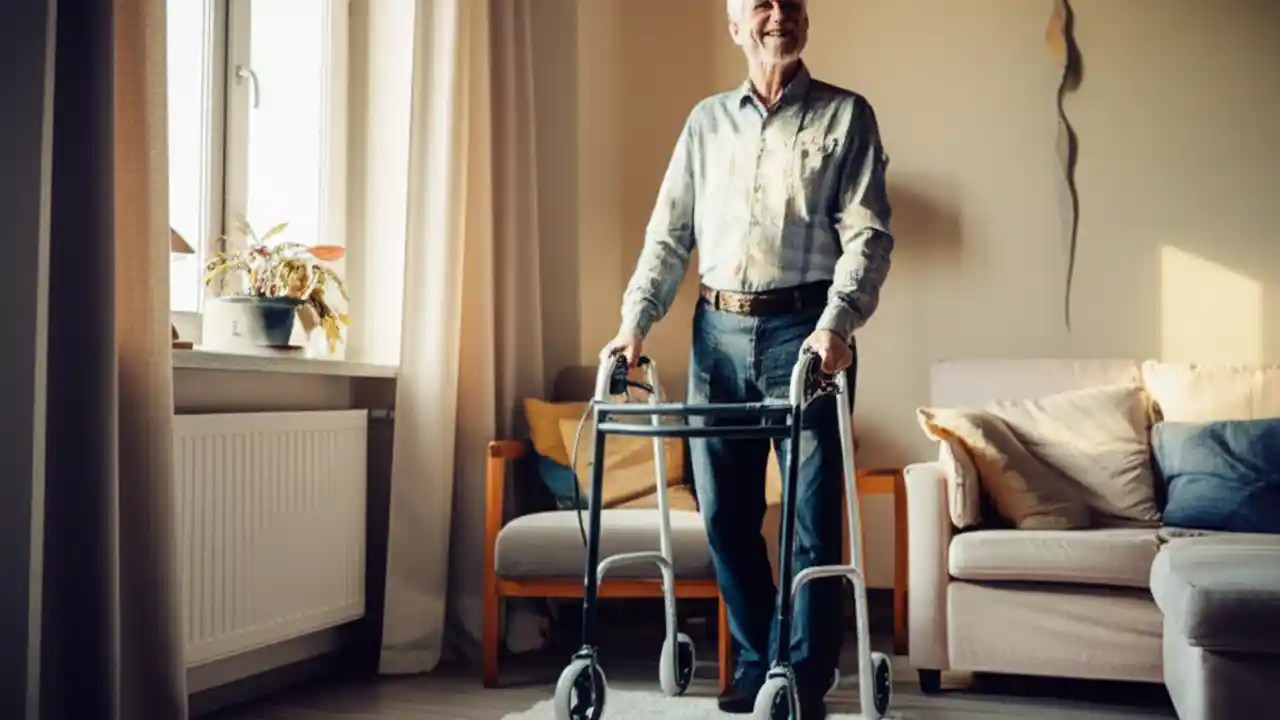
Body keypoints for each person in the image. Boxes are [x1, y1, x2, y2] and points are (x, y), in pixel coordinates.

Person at [599, 0, 892, 716]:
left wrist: (838, 324)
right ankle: (761, 660)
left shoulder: (846, 116)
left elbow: (868, 236)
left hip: (807, 333)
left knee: (810, 520)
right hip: (717, 335)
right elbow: (668, 236)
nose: (777, 14)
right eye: (759, 3)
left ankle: (805, 678)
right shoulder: (705, 123)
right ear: (735, 26)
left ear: (806, 20)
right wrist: (633, 325)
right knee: (726, 514)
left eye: (790, 2)